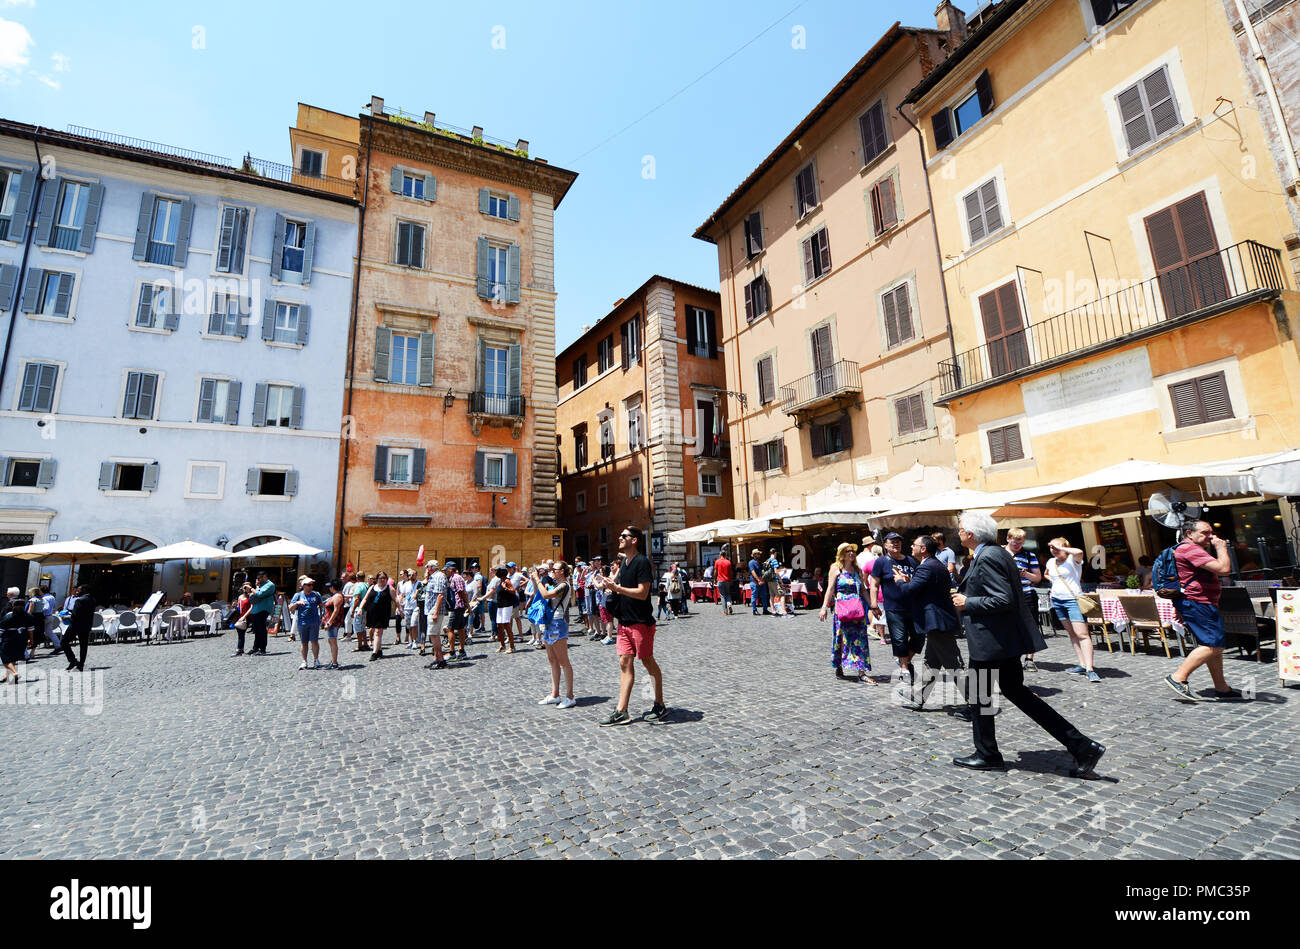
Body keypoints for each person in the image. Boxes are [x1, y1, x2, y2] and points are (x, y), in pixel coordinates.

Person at [951, 511, 1104, 777]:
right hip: (1000, 639)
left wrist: (968, 602)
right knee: (1015, 693)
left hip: (993, 641)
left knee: (980, 696)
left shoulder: (988, 556)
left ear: (971, 533)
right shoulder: (993, 554)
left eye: (961, 528)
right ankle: (1081, 746)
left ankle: (988, 754)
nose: (959, 532)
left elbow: (1003, 599)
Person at [596, 526, 666, 726]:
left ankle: (659, 704)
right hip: (624, 622)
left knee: (647, 662)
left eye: (624, 536)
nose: (619, 537)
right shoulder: (624, 564)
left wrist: (617, 588)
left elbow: (643, 592)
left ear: (634, 540)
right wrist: (611, 584)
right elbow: (620, 587)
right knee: (624, 663)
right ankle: (621, 710)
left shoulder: (642, 562)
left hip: (640, 622)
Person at [1165, 520, 1239, 701]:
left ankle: (1221, 687)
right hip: (1199, 602)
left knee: (1212, 644)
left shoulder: (1182, 549)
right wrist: (1221, 548)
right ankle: (1178, 677)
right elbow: (1224, 569)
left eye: (1211, 532)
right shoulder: (1190, 549)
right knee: (1214, 645)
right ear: (1189, 533)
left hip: (1196, 602)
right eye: (1205, 533)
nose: (1211, 536)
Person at [895, 536, 966, 717]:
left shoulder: (927, 567)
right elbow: (926, 590)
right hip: (937, 621)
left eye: (914, 544)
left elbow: (910, 591)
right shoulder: (935, 565)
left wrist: (900, 581)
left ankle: (976, 702)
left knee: (953, 664)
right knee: (931, 662)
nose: (911, 547)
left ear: (924, 549)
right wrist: (910, 581)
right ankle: (918, 696)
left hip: (937, 622)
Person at [1044, 538, 1101, 683]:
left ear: (1065, 547)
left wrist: (1061, 548)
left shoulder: (1073, 559)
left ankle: (1090, 669)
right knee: (1072, 633)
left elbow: (1079, 552)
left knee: (1082, 634)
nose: (1053, 549)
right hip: (1057, 600)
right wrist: (1055, 583)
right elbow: (1046, 574)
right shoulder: (1051, 562)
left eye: (1056, 546)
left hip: (1073, 600)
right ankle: (1082, 664)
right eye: (1051, 547)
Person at [872, 533, 921, 691]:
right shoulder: (881, 562)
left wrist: (909, 581)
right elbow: (874, 584)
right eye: (892, 542)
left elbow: (918, 581)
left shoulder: (911, 561)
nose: (896, 544)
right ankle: (905, 668)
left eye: (898, 541)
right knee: (899, 638)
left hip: (913, 606)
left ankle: (903, 660)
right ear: (885, 545)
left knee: (919, 637)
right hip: (893, 606)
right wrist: (874, 604)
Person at [819, 542, 872, 682]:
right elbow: (830, 589)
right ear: (842, 554)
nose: (852, 553)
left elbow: (863, 590)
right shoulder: (836, 569)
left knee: (860, 639)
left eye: (853, 551)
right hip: (842, 609)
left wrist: (872, 606)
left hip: (857, 609)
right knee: (841, 638)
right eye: (848, 551)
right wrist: (824, 607)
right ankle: (839, 665)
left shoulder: (857, 570)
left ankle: (861, 671)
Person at [533, 562, 577, 709]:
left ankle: (570, 696)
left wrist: (538, 580)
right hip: (549, 622)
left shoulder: (564, 585)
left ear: (562, 571)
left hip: (558, 622)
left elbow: (546, 594)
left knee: (564, 661)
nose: (551, 571)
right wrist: (538, 581)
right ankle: (555, 694)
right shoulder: (556, 584)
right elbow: (541, 593)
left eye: (554, 569)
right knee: (552, 660)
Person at [1005, 529, 1043, 671]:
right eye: (1014, 542)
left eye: (1020, 543)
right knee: (1009, 627)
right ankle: (1012, 658)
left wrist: (1025, 574)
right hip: (1007, 595)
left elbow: (1038, 578)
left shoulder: (1029, 555)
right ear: (1008, 539)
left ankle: (1029, 659)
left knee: (1030, 626)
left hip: (1026, 594)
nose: (1017, 545)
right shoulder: (1000, 554)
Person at [1, 596, 40, 683]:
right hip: (22, 639)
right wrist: (31, 640)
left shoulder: (8, 616)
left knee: (5, 658)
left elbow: (1, 630)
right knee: (13, 657)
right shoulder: (28, 616)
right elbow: (30, 630)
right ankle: (6, 675)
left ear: (13, 606)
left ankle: (14, 673)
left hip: (9, 639)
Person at [289, 578, 325, 670]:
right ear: (303, 586)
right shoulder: (298, 595)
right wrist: (297, 603)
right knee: (304, 643)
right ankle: (304, 661)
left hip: (314, 621)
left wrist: (322, 618)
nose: (311, 586)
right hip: (302, 622)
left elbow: (321, 606)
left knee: (314, 641)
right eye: (309, 585)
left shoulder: (316, 594)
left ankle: (316, 660)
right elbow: (290, 608)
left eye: (312, 585)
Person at [60, 584, 95, 672]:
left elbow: (75, 616)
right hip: (86, 625)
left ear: (84, 590)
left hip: (76, 626)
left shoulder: (79, 600)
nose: (76, 592)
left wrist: (66, 617)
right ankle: (81, 664)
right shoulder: (92, 600)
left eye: (79, 590)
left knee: (64, 642)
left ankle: (73, 660)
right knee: (83, 645)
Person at [360, 571, 393, 661]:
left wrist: (400, 610)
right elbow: (365, 599)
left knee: (377, 632)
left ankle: (374, 653)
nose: (382, 580)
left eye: (384, 578)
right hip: (372, 613)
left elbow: (396, 599)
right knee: (377, 632)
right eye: (380, 578)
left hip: (383, 614)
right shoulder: (372, 587)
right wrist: (360, 609)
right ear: (377, 579)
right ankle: (379, 650)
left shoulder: (389, 588)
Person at [422, 562, 449, 667]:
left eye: (427, 567)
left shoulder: (439, 576)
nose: (427, 569)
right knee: (433, 634)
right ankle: (436, 658)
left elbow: (440, 595)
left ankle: (441, 660)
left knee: (434, 634)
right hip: (431, 610)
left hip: (434, 610)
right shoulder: (433, 577)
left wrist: (435, 612)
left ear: (432, 567)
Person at [245, 571, 276, 656]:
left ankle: (262, 649)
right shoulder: (261, 585)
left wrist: (251, 588)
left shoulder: (270, 585)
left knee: (261, 629)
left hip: (263, 609)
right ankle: (256, 648)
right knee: (257, 630)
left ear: (265, 577)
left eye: (259, 578)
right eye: (257, 578)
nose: (258, 580)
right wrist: (254, 588)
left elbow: (260, 594)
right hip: (256, 609)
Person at [445, 562, 469, 661]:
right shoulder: (453, 578)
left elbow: (462, 592)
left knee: (450, 629)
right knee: (460, 628)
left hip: (457, 606)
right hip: (458, 606)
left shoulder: (456, 578)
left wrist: (467, 605)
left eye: (446, 570)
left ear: (451, 569)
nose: (445, 572)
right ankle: (462, 651)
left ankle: (452, 653)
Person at [321, 580, 346, 669]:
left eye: (330, 586)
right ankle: (333, 661)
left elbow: (336, 610)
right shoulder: (336, 595)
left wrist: (329, 622)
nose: (329, 588)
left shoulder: (338, 596)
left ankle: (334, 663)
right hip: (332, 622)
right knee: (331, 641)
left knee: (333, 641)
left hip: (334, 623)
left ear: (333, 587)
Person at [350, 573, 371, 650]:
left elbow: (357, 599)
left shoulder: (359, 586)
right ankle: (365, 644)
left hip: (358, 609)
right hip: (364, 609)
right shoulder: (366, 585)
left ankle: (360, 645)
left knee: (358, 627)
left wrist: (353, 610)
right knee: (362, 627)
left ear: (357, 577)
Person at [748, 548, 770, 615]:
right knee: (754, 596)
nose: (759, 555)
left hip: (761, 581)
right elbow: (753, 572)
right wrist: (758, 580)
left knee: (764, 596)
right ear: (754, 555)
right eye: (758, 554)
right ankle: (754, 610)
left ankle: (765, 609)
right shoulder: (751, 562)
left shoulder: (760, 562)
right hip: (754, 582)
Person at [714, 547, 734, 615]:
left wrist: (715, 579)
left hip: (720, 580)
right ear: (725, 555)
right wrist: (731, 579)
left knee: (722, 595)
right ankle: (729, 604)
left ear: (720, 555)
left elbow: (715, 572)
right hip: (727, 580)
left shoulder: (717, 561)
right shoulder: (728, 562)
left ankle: (725, 611)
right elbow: (731, 572)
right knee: (728, 594)